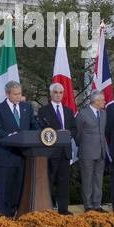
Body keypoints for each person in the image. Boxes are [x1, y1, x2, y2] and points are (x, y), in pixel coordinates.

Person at [0, 80, 36, 216]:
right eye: (15, 94)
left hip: (23, 155)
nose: (18, 96)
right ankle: (4, 214)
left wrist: (43, 134)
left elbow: (34, 125)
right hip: (6, 154)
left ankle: (18, 211)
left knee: (19, 185)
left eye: (19, 94)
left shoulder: (27, 107)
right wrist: (10, 136)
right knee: (5, 186)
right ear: (7, 94)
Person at [37, 81, 77, 215]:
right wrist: (55, 133)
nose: (58, 95)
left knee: (64, 182)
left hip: (65, 151)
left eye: (60, 92)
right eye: (55, 92)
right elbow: (42, 129)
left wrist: (68, 133)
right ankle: (47, 208)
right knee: (49, 181)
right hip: (51, 151)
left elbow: (74, 129)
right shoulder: (43, 110)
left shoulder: (68, 111)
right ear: (51, 94)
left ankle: (63, 209)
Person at [76, 91, 108, 212]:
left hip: (101, 151)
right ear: (96, 101)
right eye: (103, 100)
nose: (104, 102)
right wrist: (83, 145)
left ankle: (97, 204)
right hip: (87, 152)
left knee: (98, 178)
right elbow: (78, 134)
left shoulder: (104, 113)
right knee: (87, 178)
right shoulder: (83, 114)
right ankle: (88, 205)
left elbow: (103, 131)